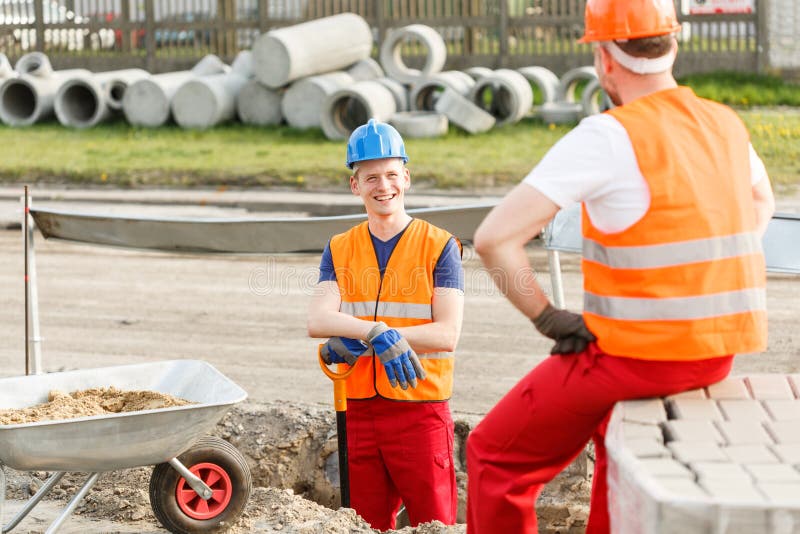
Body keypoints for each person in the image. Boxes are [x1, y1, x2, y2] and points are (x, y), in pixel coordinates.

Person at [465, 0, 776, 532]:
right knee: (617, 447)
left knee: (495, 456)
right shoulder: (725, 124)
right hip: (717, 353)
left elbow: (495, 240)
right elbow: (760, 204)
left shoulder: (608, 136)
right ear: (673, 45)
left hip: (633, 357)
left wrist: (546, 317)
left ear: (605, 61)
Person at [307, 119, 465, 531]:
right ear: (354, 185)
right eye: (371, 176)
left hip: (421, 410)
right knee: (365, 526)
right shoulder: (340, 247)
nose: (384, 186)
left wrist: (379, 334)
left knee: (434, 524)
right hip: (359, 410)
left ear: (406, 178)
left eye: (392, 174)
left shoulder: (440, 246)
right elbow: (319, 319)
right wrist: (376, 333)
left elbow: (447, 332)